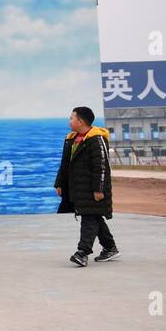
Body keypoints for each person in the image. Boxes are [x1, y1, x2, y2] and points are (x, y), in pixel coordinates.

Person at [54, 106, 118, 267]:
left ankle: (82, 253)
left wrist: (99, 189)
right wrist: (60, 183)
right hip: (78, 188)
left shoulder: (96, 139)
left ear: (80, 121)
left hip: (93, 189)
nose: (69, 121)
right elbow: (65, 164)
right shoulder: (71, 139)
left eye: (71, 118)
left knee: (89, 218)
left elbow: (102, 166)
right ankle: (110, 248)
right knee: (93, 217)